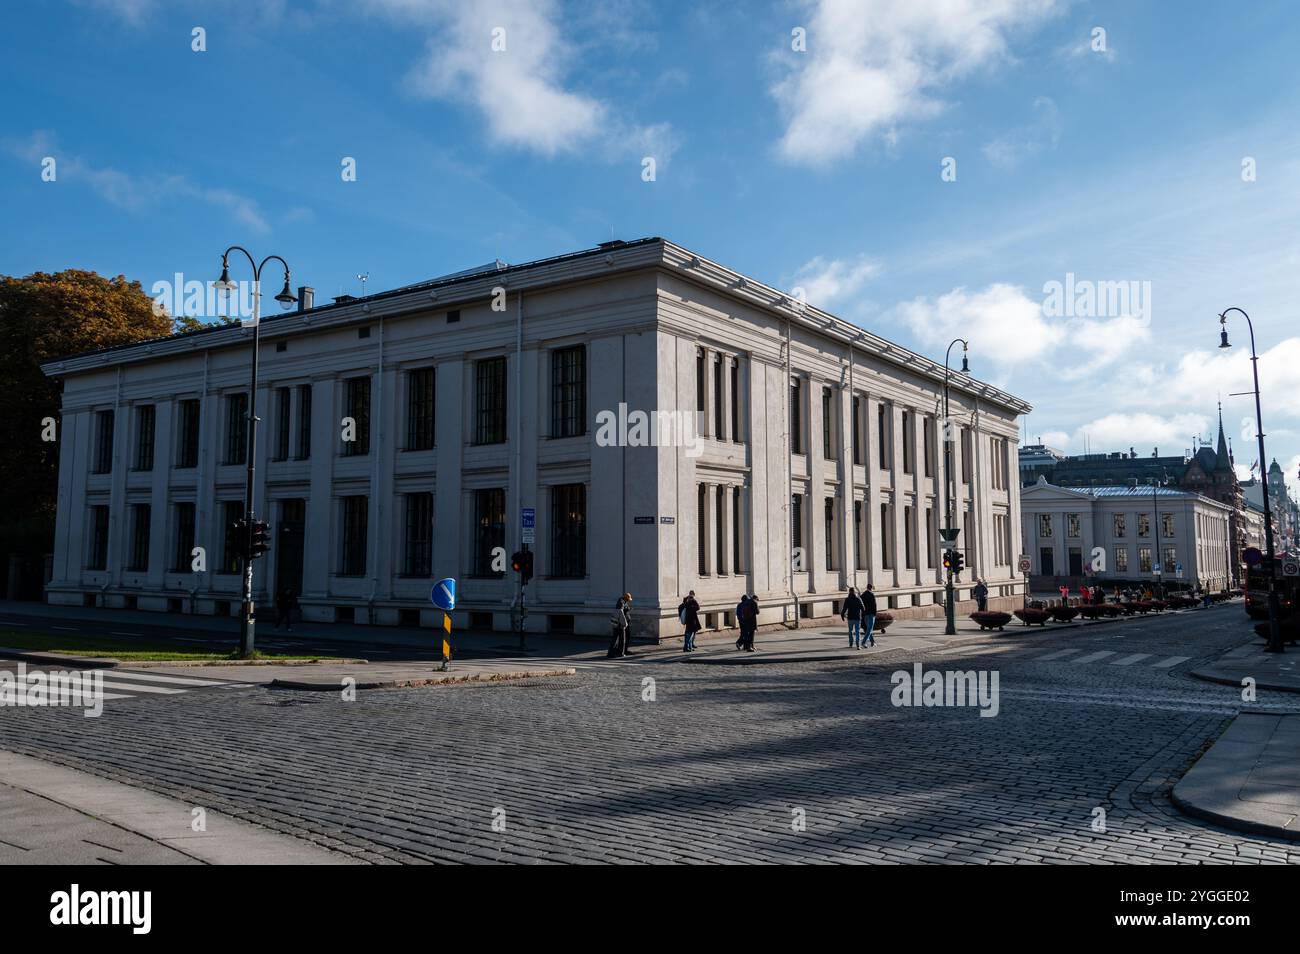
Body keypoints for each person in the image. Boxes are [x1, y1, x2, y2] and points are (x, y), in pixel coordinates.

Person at [607, 592, 633, 658]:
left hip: (620, 623)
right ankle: (619, 652)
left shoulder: (623, 602)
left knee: (619, 638)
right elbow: (621, 614)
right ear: (625, 598)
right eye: (628, 599)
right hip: (620, 624)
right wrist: (625, 623)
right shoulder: (621, 603)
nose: (628, 601)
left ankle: (620, 651)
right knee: (620, 639)